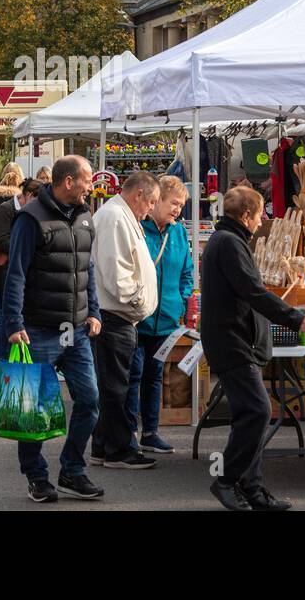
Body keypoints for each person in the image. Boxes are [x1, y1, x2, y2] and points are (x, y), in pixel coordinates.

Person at [3, 155, 103, 503]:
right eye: (88, 180)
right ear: (68, 182)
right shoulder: (30, 219)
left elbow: (85, 269)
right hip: (38, 329)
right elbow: (14, 273)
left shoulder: (86, 216)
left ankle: (72, 470)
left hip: (75, 330)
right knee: (32, 410)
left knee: (90, 400)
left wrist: (93, 310)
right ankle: (37, 476)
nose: (92, 186)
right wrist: (13, 323)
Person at [202, 186, 305, 512]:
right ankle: (227, 480)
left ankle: (253, 489)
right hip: (232, 342)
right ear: (246, 215)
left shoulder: (230, 241)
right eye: (260, 213)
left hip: (237, 339)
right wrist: (296, 319)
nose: (262, 221)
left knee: (251, 414)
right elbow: (253, 292)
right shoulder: (229, 243)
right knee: (258, 411)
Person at [88, 171, 160, 470]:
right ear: (138, 195)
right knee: (115, 386)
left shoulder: (119, 215)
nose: (152, 208)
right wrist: (139, 300)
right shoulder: (116, 217)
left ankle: (104, 447)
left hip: (119, 316)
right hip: (115, 316)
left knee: (112, 385)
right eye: (152, 201)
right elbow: (115, 270)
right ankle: (119, 449)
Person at [129, 175, 194, 455]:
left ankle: (151, 432)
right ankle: (129, 431)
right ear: (156, 200)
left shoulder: (178, 232)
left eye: (181, 205)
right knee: (134, 374)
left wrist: (181, 300)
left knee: (155, 376)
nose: (177, 209)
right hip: (138, 315)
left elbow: (187, 270)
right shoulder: (137, 228)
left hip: (167, 317)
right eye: (173, 203)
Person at [0, 177, 41, 358]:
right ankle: (1, 359)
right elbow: (0, 241)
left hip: (18, 271)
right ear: (29, 195)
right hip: (0, 271)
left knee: (17, 316)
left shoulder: (31, 212)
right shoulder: (5, 209)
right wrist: (28, 247)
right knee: (2, 315)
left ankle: (15, 356)